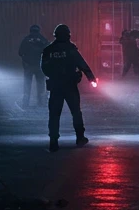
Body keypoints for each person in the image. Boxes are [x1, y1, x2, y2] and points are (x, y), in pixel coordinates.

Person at [41, 23, 96, 152]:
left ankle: (53, 141)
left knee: (54, 114)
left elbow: (43, 68)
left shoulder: (48, 50)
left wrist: (54, 75)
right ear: (67, 35)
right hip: (70, 85)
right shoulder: (71, 49)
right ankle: (80, 138)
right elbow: (82, 64)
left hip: (55, 86)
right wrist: (91, 78)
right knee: (76, 112)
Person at [18, 24, 49, 108]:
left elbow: (20, 52)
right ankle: (40, 103)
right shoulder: (43, 40)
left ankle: (25, 104)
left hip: (28, 66)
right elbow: (48, 51)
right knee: (40, 85)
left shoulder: (26, 40)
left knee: (27, 85)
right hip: (40, 66)